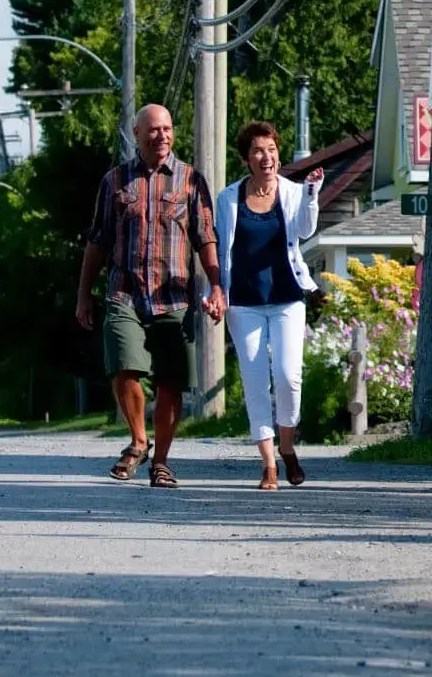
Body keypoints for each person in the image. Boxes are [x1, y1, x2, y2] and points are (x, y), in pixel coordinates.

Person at [75, 104, 223, 488]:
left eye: (168, 129)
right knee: (124, 367)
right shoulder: (116, 181)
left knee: (171, 381)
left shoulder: (191, 180)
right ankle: (139, 440)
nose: (162, 136)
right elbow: (98, 240)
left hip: (173, 298)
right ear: (137, 134)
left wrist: (217, 285)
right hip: (124, 292)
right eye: (154, 130)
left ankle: (161, 462)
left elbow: (205, 238)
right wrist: (83, 294)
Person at [214, 120, 322, 490]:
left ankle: (288, 447)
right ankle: (269, 463)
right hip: (244, 303)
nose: (267, 157)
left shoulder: (292, 192)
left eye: (272, 149)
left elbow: (306, 230)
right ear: (247, 158)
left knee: (290, 376)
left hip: (287, 299)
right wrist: (215, 291)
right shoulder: (228, 199)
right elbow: (219, 250)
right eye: (259, 151)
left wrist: (312, 193)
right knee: (255, 380)